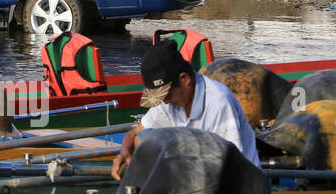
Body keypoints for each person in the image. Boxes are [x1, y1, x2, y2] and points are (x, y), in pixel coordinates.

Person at [111, 41, 260, 178]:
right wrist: (125, 152)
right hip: (198, 176)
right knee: (144, 139)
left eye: (166, 95)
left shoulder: (219, 102)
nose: (165, 102)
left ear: (184, 79)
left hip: (236, 185)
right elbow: (135, 133)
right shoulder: (169, 100)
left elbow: (232, 166)